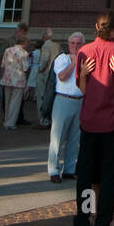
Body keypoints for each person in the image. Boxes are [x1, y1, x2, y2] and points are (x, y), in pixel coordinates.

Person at [74, 13, 114, 226]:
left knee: (87, 175)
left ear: (95, 27)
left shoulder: (84, 52)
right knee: (110, 176)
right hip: (112, 124)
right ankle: (102, 225)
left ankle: (83, 223)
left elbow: (82, 90)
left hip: (89, 123)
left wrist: (82, 75)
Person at [48, 32, 84, 183]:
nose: (75, 46)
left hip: (80, 100)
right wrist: (74, 63)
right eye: (73, 43)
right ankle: (54, 170)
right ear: (68, 44)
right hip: (63, 100)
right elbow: (62, 76)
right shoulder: (61, 59)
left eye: (78, 44)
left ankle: (69, 168)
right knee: (58, 137)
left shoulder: (86, 60)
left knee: (75, 138)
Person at [0, 33, 30, 129]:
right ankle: (10, 123)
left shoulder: (8, 50)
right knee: (15, 102)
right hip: (18, 79)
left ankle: (6, 120)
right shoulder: (24, 53)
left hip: (7, 78)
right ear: (24, 43)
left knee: (7, 100)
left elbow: (3, 64)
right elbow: (25, 68)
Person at [35, 29, 61, 127]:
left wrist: (40, 69)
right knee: (52, 97)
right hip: (55, 75)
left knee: (42, 96)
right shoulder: (57, 45)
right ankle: (50, 119)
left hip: (46, 74)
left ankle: (42, 119)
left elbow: (44, 60)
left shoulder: (45, 45)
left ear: (44, 37)